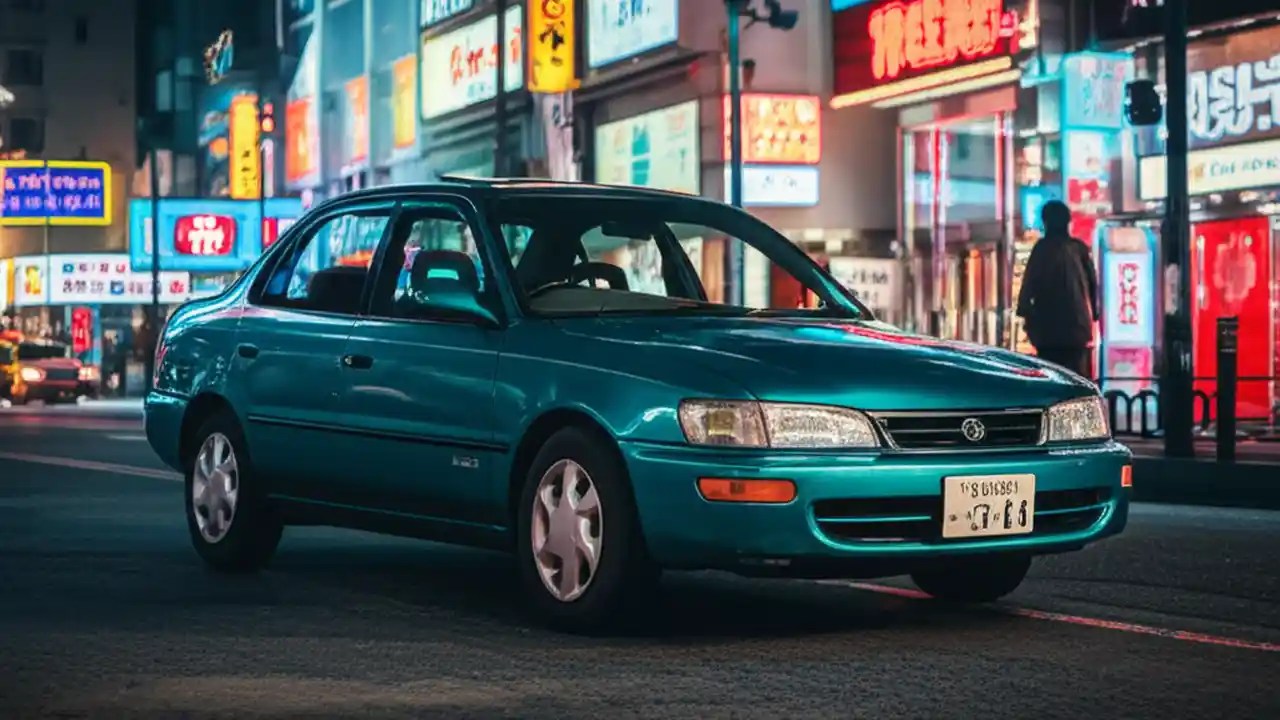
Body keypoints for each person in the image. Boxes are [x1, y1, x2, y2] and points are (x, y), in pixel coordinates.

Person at [1016, 200, 1099, 377]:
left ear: (1045, 222)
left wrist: (1025, 312)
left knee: (1052, 376)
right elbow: (1093, 284)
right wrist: (1095, 312)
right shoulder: (1079, 248)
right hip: (1077, 328)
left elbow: (1029, 285)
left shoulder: (1042, 249)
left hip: (1048, 331)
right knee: (1077, 376)